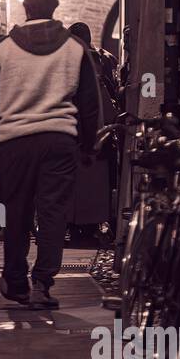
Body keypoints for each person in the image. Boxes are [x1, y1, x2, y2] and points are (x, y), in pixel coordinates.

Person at [0, 0, 100, 309]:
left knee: (16, 212)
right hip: (59, 140)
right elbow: (89, 103)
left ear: (25, 4)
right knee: (52, 213)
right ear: (55, 5)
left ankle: (15, 280)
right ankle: (43, 282)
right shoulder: (75, 49)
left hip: (15, 141)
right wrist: (89, 145)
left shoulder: (3, 50)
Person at [65, 22, 121, 244]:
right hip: (97, 133)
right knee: (93, 185)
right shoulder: (103, 61)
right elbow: (109, 101)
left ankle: (76, 228)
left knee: (74, 185)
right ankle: (89, 228)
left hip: (73, 132)